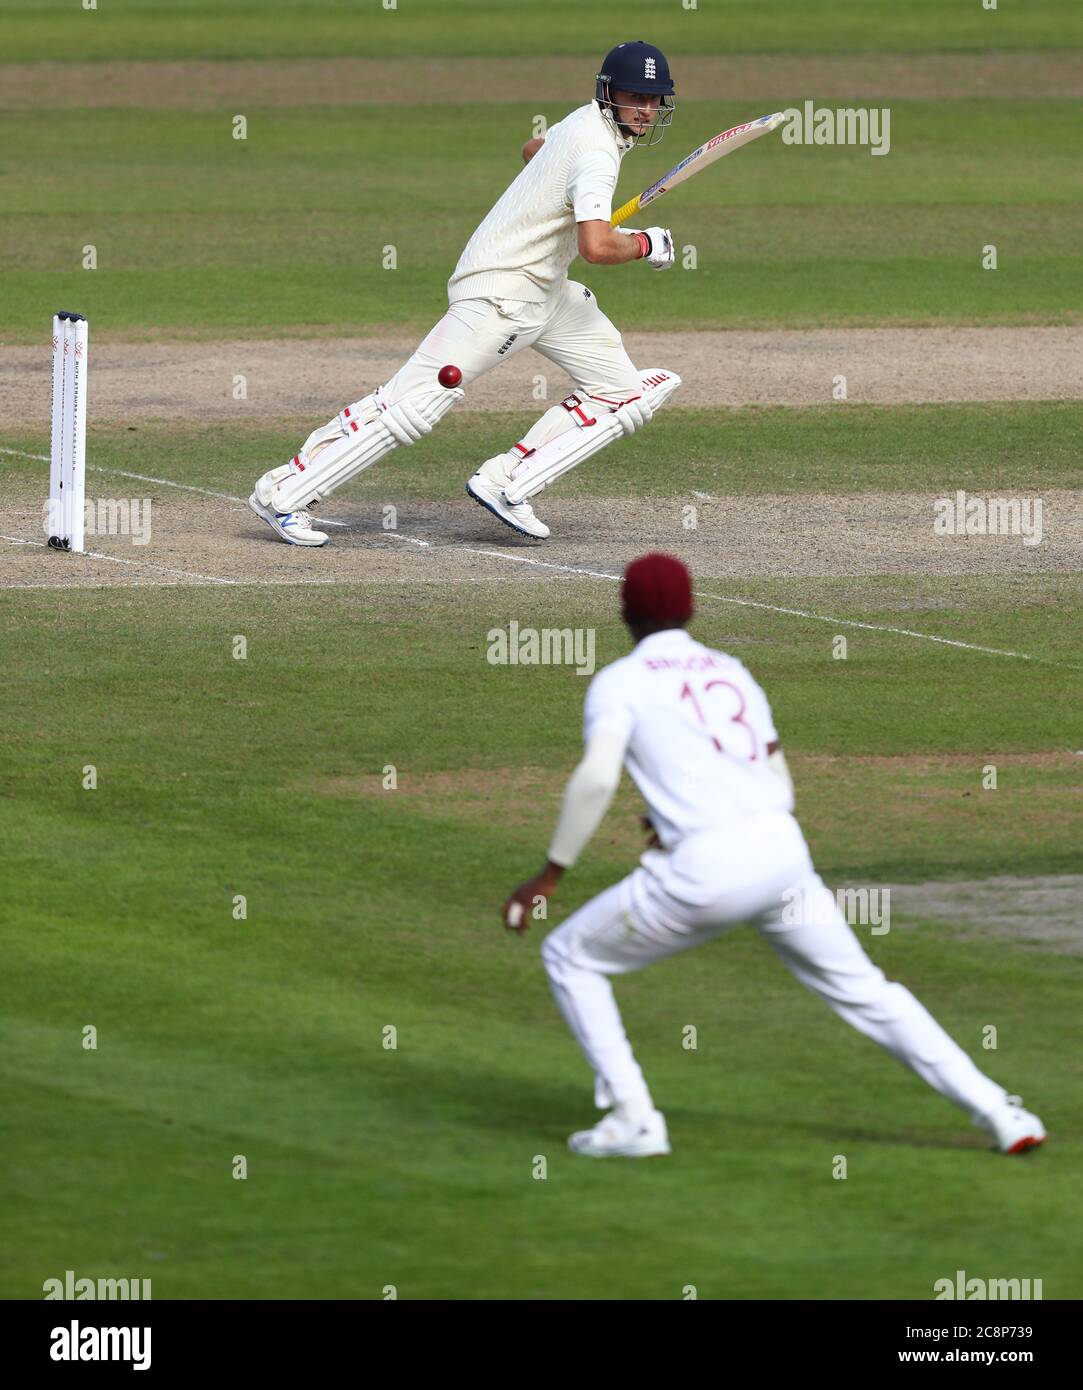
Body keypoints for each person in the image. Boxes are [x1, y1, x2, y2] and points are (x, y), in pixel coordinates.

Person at [502, 553, 1047, 1159]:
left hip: (705, 873)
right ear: (691, 608)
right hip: (781, 854)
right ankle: (1000, 1113)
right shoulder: (731, 670)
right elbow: (775, 774)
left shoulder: (621, 682)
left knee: (569, 955)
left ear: (624, 611)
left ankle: (635, 1120)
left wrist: (550, 873)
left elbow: (598, 779)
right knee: (869, 992)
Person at [248, 40, 683, 547]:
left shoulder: (580, 122)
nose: (646, 110)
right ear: (609, 94)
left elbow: (532, 152)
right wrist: (646, 243)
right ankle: (285, 495)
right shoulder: (599, 152)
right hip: (499, 296)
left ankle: (505, 482)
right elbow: (595, 246)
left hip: (546, 293)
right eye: (636, 97)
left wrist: (551, 198)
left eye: (654, 100)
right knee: (415, 403)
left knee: (625, 391)